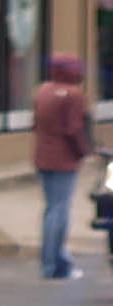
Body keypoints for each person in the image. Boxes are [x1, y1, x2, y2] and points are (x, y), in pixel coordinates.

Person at [35, 50, 88, 283]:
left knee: (50, 209)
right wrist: (85, 151)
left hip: (42, 157)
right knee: (60, 210)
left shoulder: (42, 91)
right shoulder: (74, 95)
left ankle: (48, 262)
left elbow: (34, 123)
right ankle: (57, 264)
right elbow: (74, 128)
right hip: (64, 159)